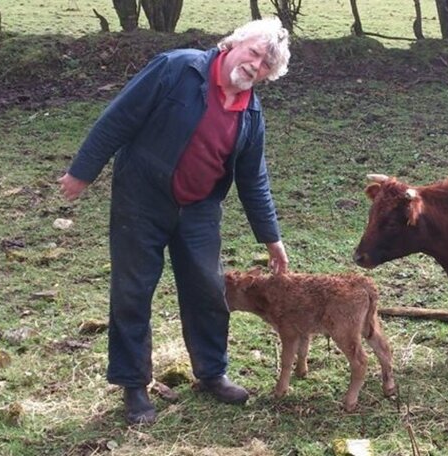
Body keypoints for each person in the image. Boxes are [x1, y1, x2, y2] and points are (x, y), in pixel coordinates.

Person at [58, 18, 291, 425]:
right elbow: (119, 117)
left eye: (266, 65)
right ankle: (133, 385)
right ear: (233, 44)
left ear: (269, 76)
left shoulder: (251, 114)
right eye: (254, 52)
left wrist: (271, 238)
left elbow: (254, 180)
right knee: (133, 290)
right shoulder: (176, 68)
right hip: (141, 200)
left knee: (208, 289)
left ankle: (212, 373)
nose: (256, 65)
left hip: (199, 209)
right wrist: (83, 171)